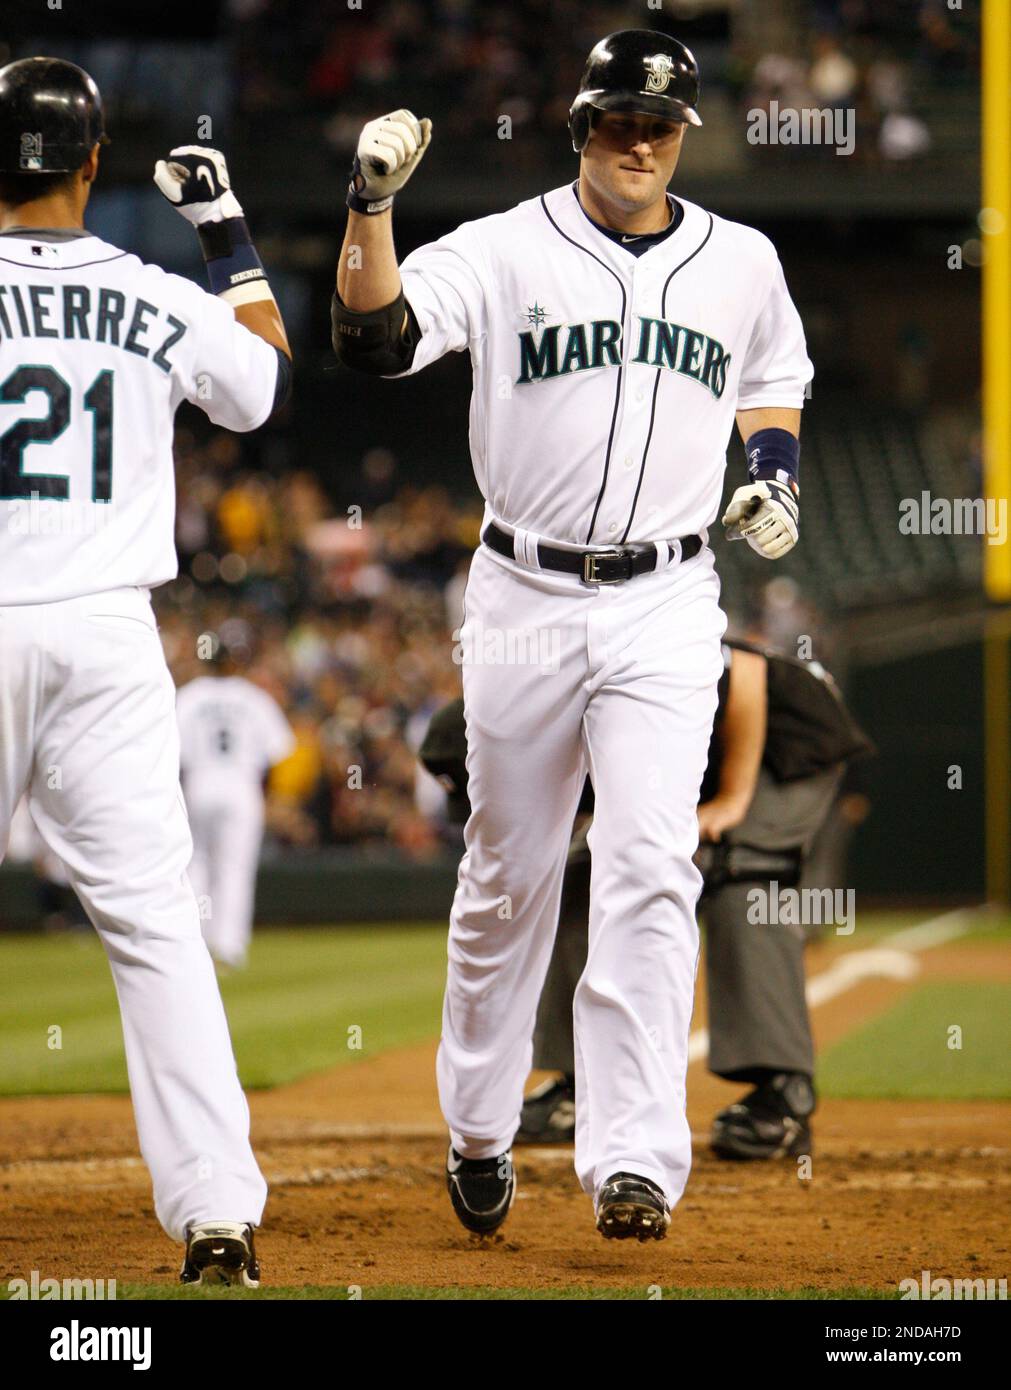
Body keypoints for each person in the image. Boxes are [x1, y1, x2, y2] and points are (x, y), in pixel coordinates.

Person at [334, 30, 812, 1241]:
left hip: (666, 598)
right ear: (580, 125)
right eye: (617, 119)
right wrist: (368, 209)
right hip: (523, 596)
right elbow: (374, 341)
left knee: (653, 865)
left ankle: (634, 1158)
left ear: (684, 135)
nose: (640, 139)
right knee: (510, 873)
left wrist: (772, 473)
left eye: (661, 123)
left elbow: (776, 378)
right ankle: (480, 1127)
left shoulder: (741, 259)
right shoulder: (503, 247)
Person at [0, 57, 291, 1286]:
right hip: (109, 631)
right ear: (95, 164)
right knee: (159, 927)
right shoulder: (157, 290)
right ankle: (217, 1212)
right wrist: (225, 232)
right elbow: (263, 386)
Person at [500, 641, 874, 1158]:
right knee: (581, 881)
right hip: (688, 755)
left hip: (785, 737)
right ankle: (576, 1086)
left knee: (741, 872)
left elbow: (747, 671)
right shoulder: (526, 721)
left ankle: (782, 1095)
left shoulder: (598, 655)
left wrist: (734, 799)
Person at [177, 625, 295, 970]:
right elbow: (278, 752)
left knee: (195, 863)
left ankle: (194, 942)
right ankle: (228, 946)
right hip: (241, 786)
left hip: (198, 783)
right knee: (235, 867)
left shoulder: (189, 696)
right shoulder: (253, 697)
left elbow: (171, 753)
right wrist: (268, 795)